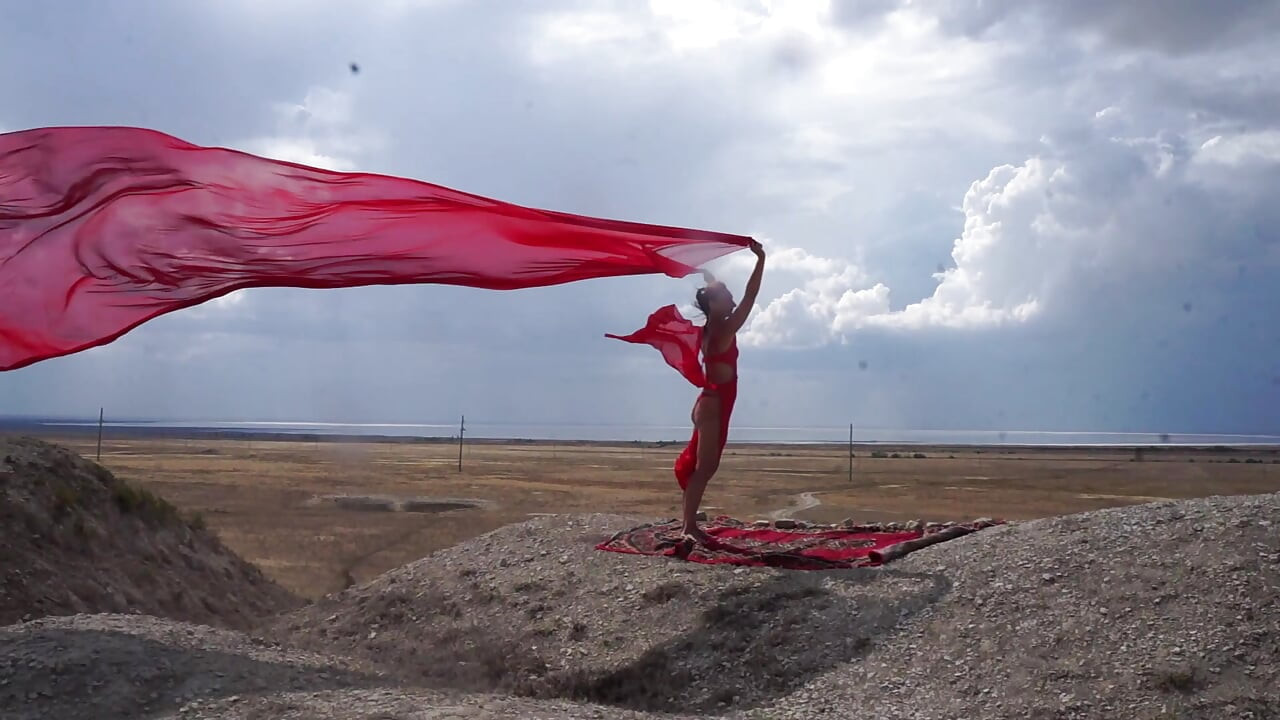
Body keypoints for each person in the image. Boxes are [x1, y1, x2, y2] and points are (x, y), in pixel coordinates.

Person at [675, 239, 765, 543]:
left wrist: (707, 275)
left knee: (703, 467)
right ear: (714, 305)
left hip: (712, 403)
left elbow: (717, 295)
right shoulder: (724, 328)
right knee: (705, 468)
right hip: (713, 405)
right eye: (726, 296)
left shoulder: (712, 326)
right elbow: (752, 295)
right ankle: (688, 526)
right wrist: (760, 259)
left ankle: (689, 523)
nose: (732, 298)